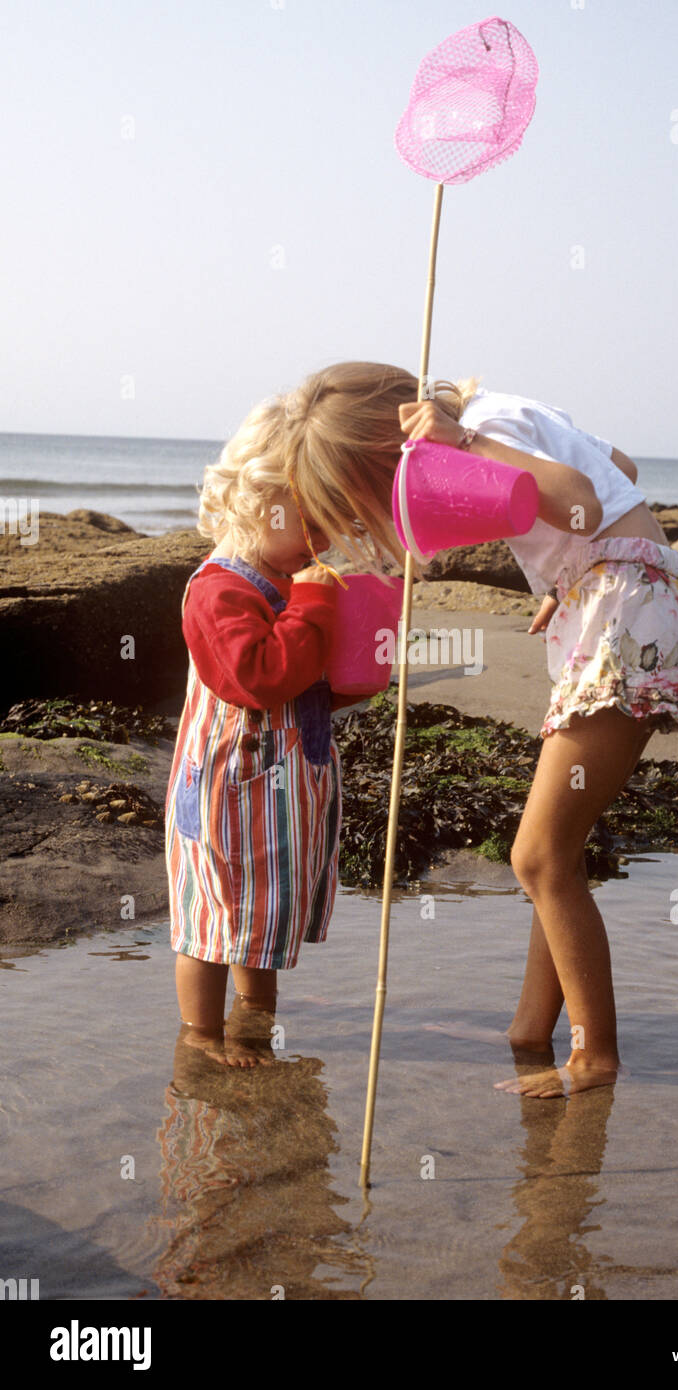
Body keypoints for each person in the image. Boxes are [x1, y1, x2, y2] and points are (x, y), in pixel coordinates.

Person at [240, 362, 678, 1096]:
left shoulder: (481, 427)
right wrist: (570, 576)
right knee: (556, 851)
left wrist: (464, 445)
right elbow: (618, 468)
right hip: (619, 600)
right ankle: (530, 1029)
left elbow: (580, 499)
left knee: (536, 855)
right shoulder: (506, 413)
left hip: (627, 612)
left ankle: (594, 1057)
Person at [164, 396, 365, 1067]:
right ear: (257, 505)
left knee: (260, 912)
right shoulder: (217, 590)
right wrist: (313, 602)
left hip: (280, 790)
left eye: (329, 526)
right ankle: (200, 1031)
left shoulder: (285, 580)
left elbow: (299, 687)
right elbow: (257, 677)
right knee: (209, 918)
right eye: (310, 524)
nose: (323, 543)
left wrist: (352, 677)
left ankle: (255, 1015)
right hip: (231, 789)